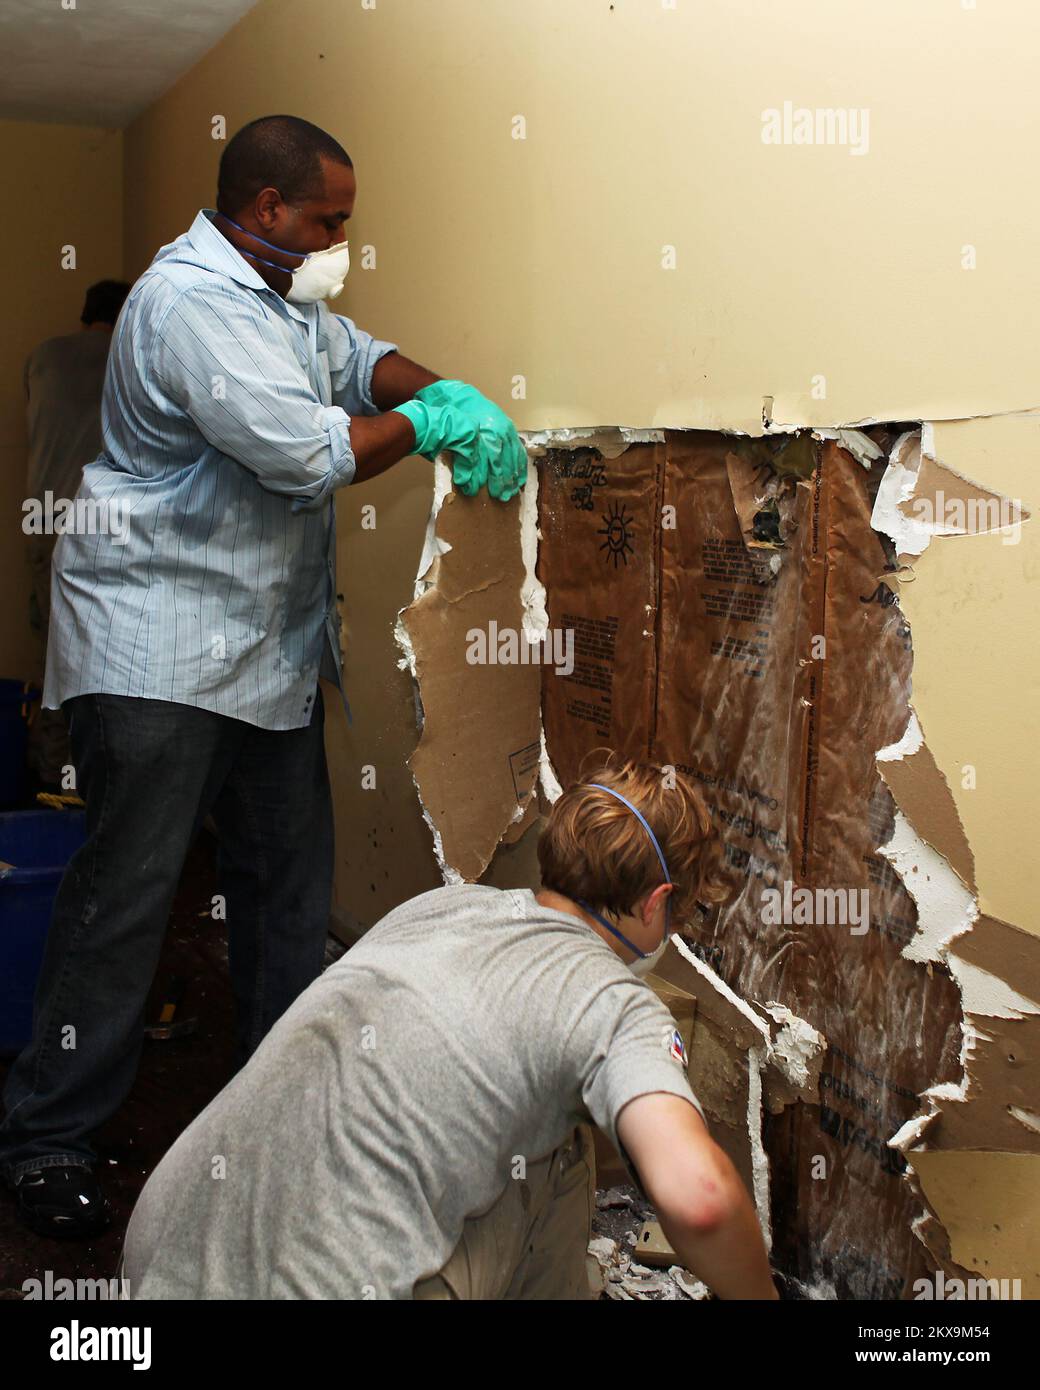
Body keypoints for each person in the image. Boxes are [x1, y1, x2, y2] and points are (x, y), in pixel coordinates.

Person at [0, 114, 526, 1239]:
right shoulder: (189, 302)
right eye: (330, 219)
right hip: (157, 650)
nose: (342, 238)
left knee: (286, 894)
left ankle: (280, 1114)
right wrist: (429, 424)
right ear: (267, 210)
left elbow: (361, 360)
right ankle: (45, 1136)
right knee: (127, 899)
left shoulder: (286, 295)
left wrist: (453, 391)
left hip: (266, 656)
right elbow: (309, 451)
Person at [121, 756, 778, 1300]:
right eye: (681, 913)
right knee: (565, 1138)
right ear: (654, 902)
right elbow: (702, 1200)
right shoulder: (609, 1001)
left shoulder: (443, 906)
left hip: (160, 1263)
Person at [22, 280, 130, 788]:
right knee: (111, 660)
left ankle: (52, 784)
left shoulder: (42, 357)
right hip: (103, 525)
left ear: (86, 315)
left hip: (43, 518)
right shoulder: (130, 353)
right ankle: (102, 787)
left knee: (53, 658)